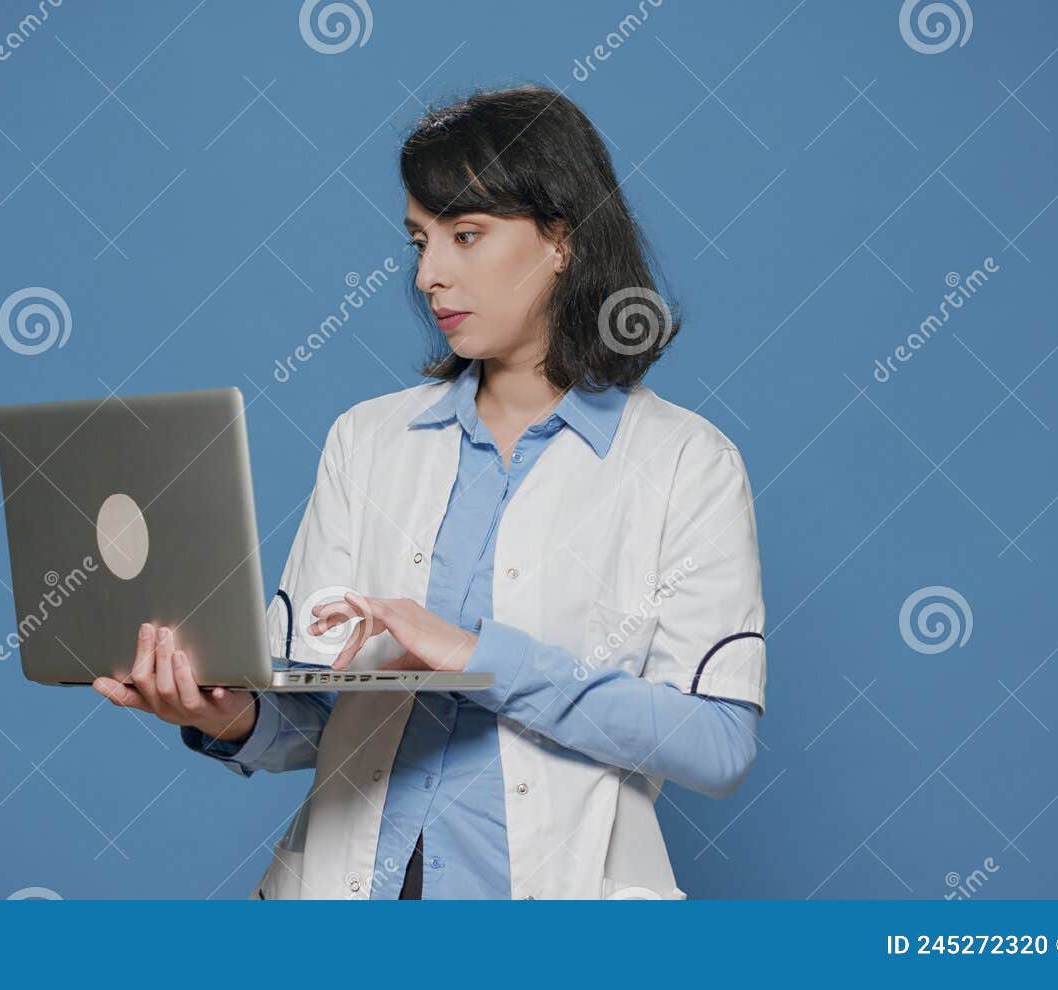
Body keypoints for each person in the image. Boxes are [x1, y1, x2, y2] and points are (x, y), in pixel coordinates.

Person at [93, 84, 769, 900]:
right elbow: (313, 716)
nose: (428, 274)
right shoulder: (367, 441)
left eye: (467, 235)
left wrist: (485, 659)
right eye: (419, 240)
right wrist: (217, 715)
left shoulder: (686, 464)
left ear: (562, 238)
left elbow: (719, 743)